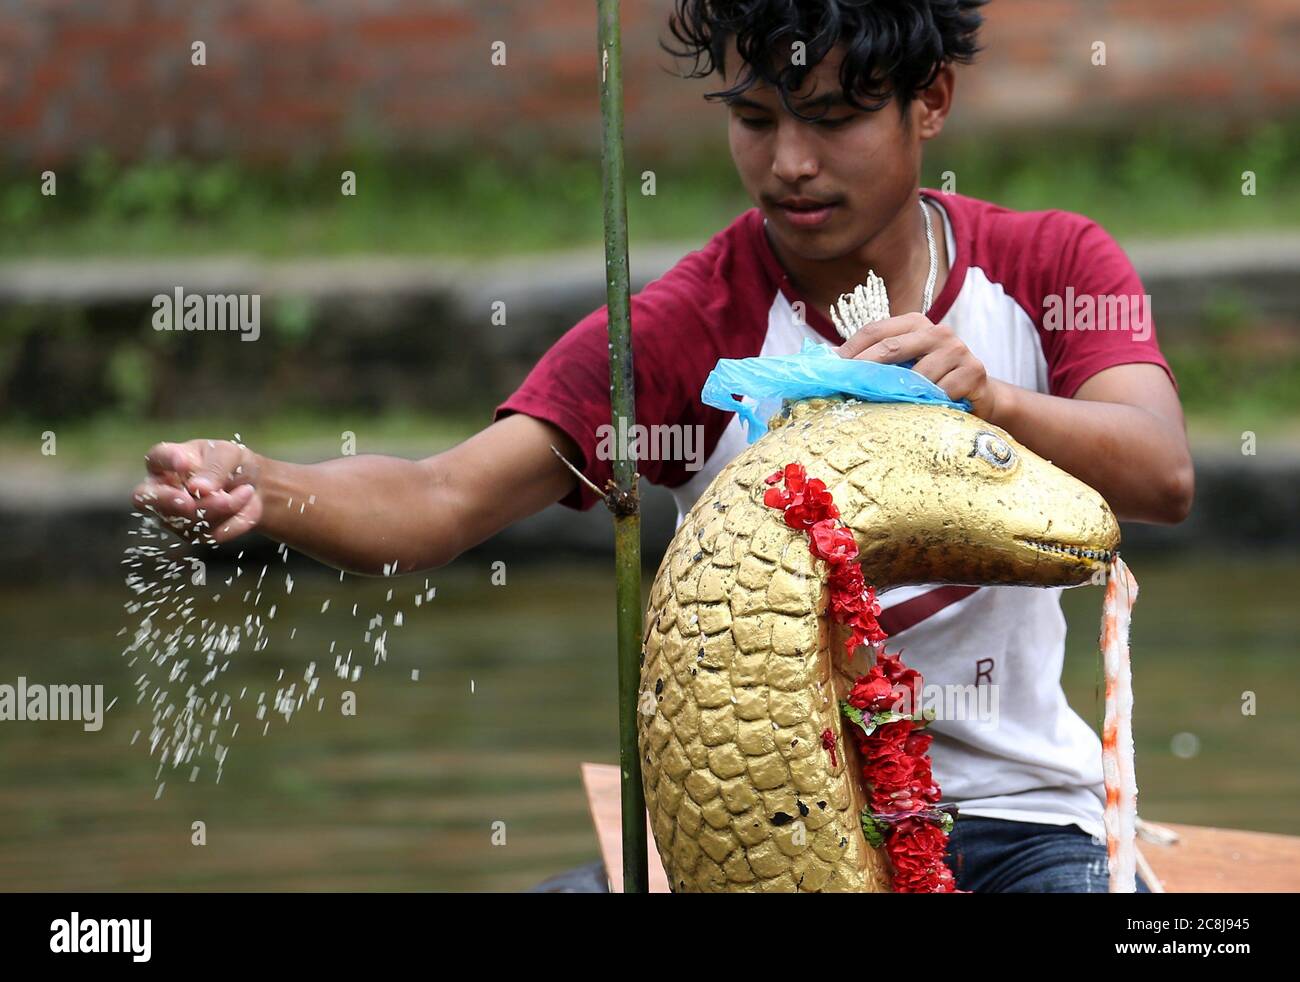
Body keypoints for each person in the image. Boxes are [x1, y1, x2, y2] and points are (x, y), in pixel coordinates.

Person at [133, 0, 1191, 893]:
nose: (789, 164)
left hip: (1018, 825)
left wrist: (992, 402)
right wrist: (265, 486)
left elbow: (1161, 473)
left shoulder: (1049, 264)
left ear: (931, 103)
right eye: (756, 117)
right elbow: (439, 498)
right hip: (758, 830)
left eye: (833, 118)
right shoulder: (691, 326)